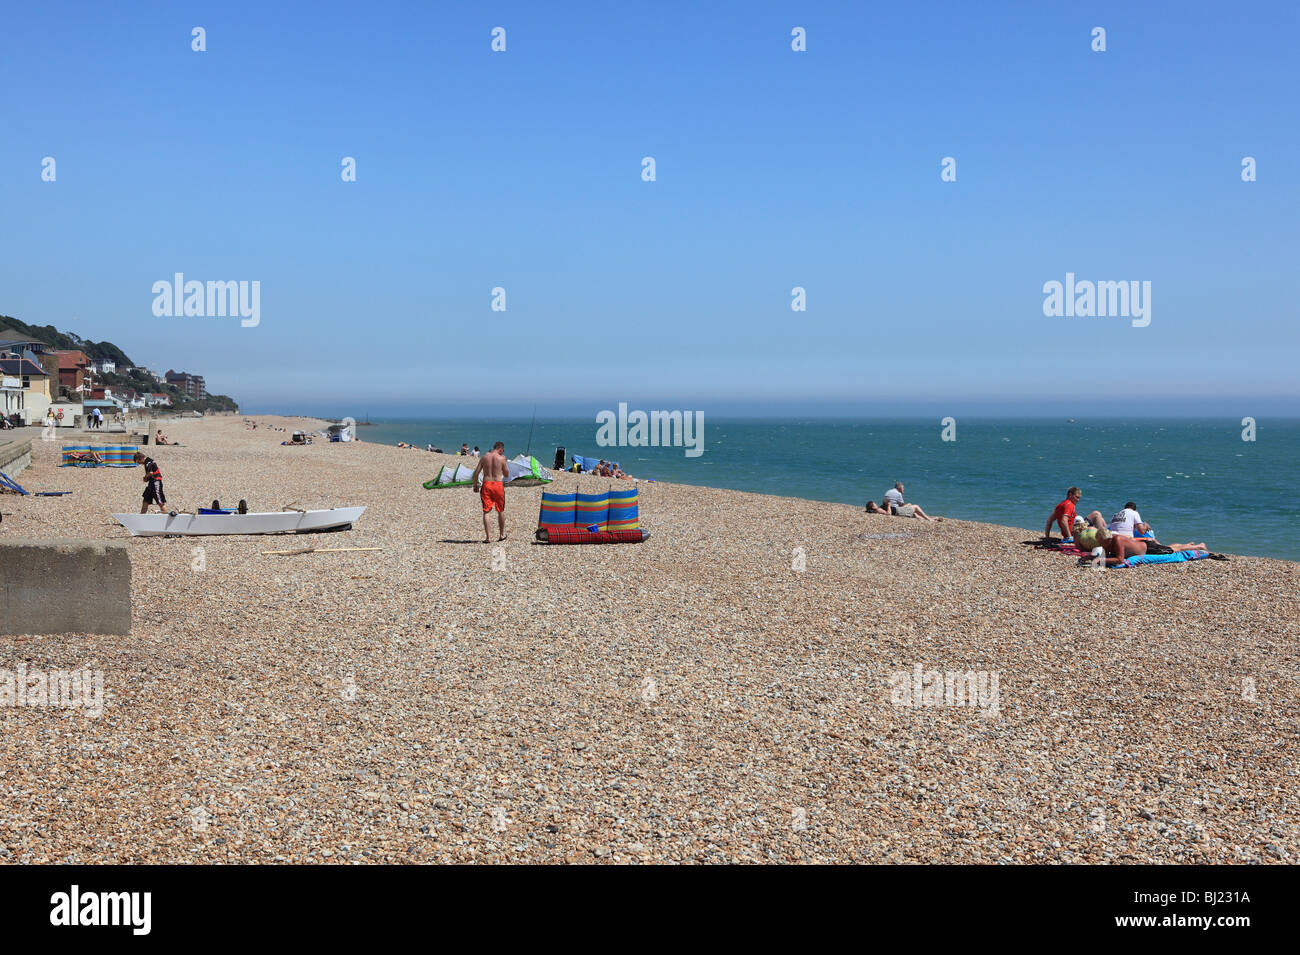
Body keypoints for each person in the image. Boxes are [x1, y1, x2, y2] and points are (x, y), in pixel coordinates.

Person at [1099, 528, 1206, 566]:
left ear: (1108, 539)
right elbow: (1106, 556)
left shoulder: (1117, 540)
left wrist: (1100, 560)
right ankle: (1188, 545)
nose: (1100, 544)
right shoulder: (1106, 541)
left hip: (1148, 549)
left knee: (1173, 550)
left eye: (1101, 542)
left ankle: (1198, 546)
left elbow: (1119, 560)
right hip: (1148, 545)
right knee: (1166, 547)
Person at [472, 441, 509, 542]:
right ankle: (501, 535)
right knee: (500, 510)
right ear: (500, 449)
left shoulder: (484, 457)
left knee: (486, 511)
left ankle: (488, 537)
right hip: (498, 485)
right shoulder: (502, 458)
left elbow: (476, 473)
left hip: (487, 485)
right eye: (503, 450)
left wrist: (475, 486)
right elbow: (506, 474)